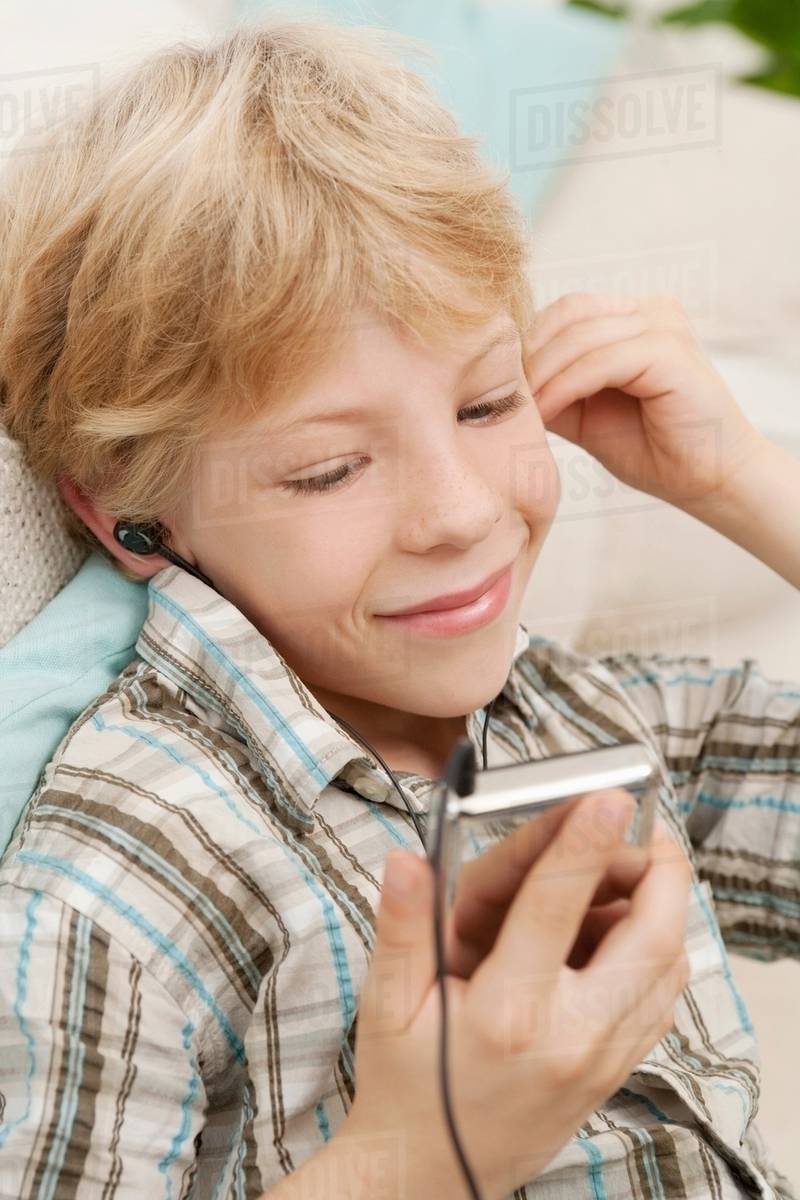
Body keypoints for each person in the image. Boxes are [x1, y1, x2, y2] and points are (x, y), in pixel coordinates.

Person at [1, 17, 798, 1200]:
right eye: (329, 470)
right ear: (123, 513)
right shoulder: (130, 873)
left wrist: (748, 483)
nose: (461, 512)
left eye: (486, 404)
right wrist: (418, 1156)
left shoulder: (577, 711)